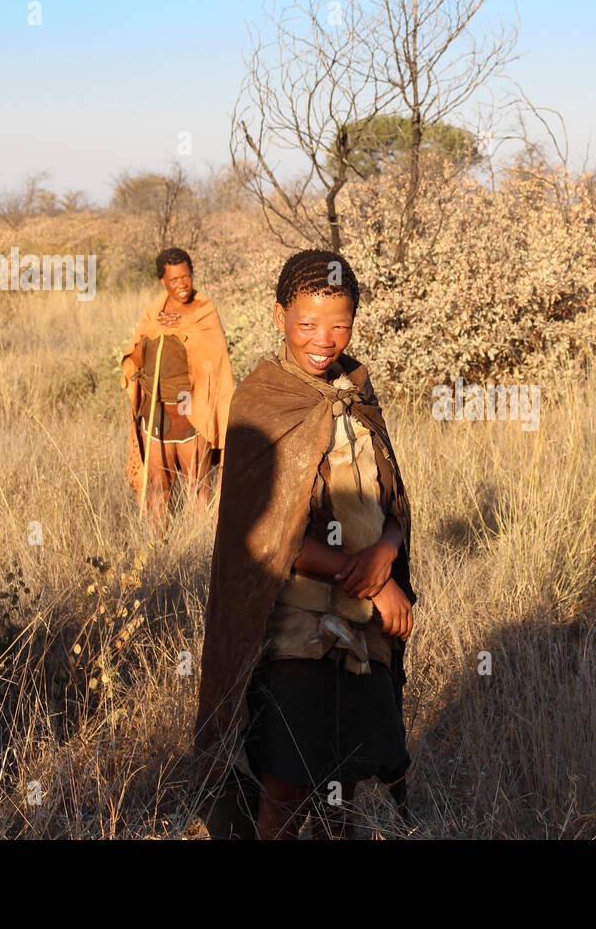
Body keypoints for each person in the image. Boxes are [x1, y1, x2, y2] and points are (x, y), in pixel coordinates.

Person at [192, 250, 416, 840]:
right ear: (278, 317)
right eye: (307, 323)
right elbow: (268, 541)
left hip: (361, 624)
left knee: (343, 778)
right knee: (287, 784)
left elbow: (394, 502)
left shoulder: (357, 392)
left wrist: (387, 551)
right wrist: (365, 572)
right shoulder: (263, 404)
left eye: (339, 324)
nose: (323, 339)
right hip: (292, 626)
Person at [121, 248, 234, 534]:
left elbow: (214, 356)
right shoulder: (154, 311)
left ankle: (204, 553)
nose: (182, 284)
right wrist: (133, 360)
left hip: (192, 417)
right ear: (162, 281)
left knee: (200, 490)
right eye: (174, 279)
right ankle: (158, 553)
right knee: (158, 490)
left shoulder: (203, 309)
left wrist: (182, 328)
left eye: (186, 276)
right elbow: (137, 347)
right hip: (156, 414)